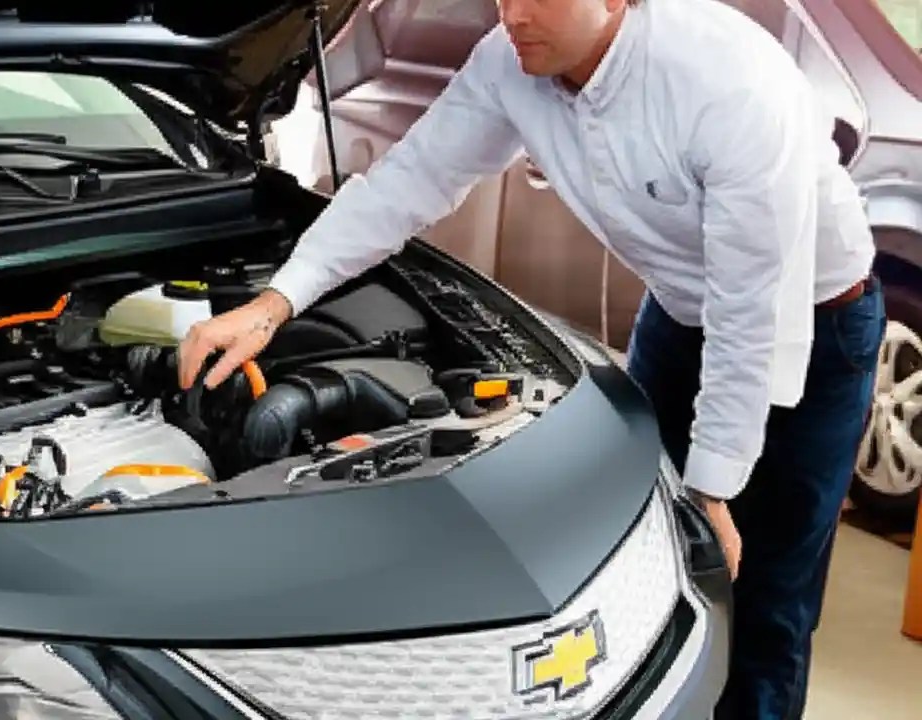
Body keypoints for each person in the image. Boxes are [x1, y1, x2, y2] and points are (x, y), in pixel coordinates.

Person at [177, 0, 884, 716]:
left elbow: (749, 308)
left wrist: (711, 491)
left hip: (814, 322)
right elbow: (408, 181)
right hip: (677, 314)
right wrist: (274, 304)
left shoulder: (726, 82)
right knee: (646, 555)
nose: (513, 14)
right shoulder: (510, 62)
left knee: (765, 593)